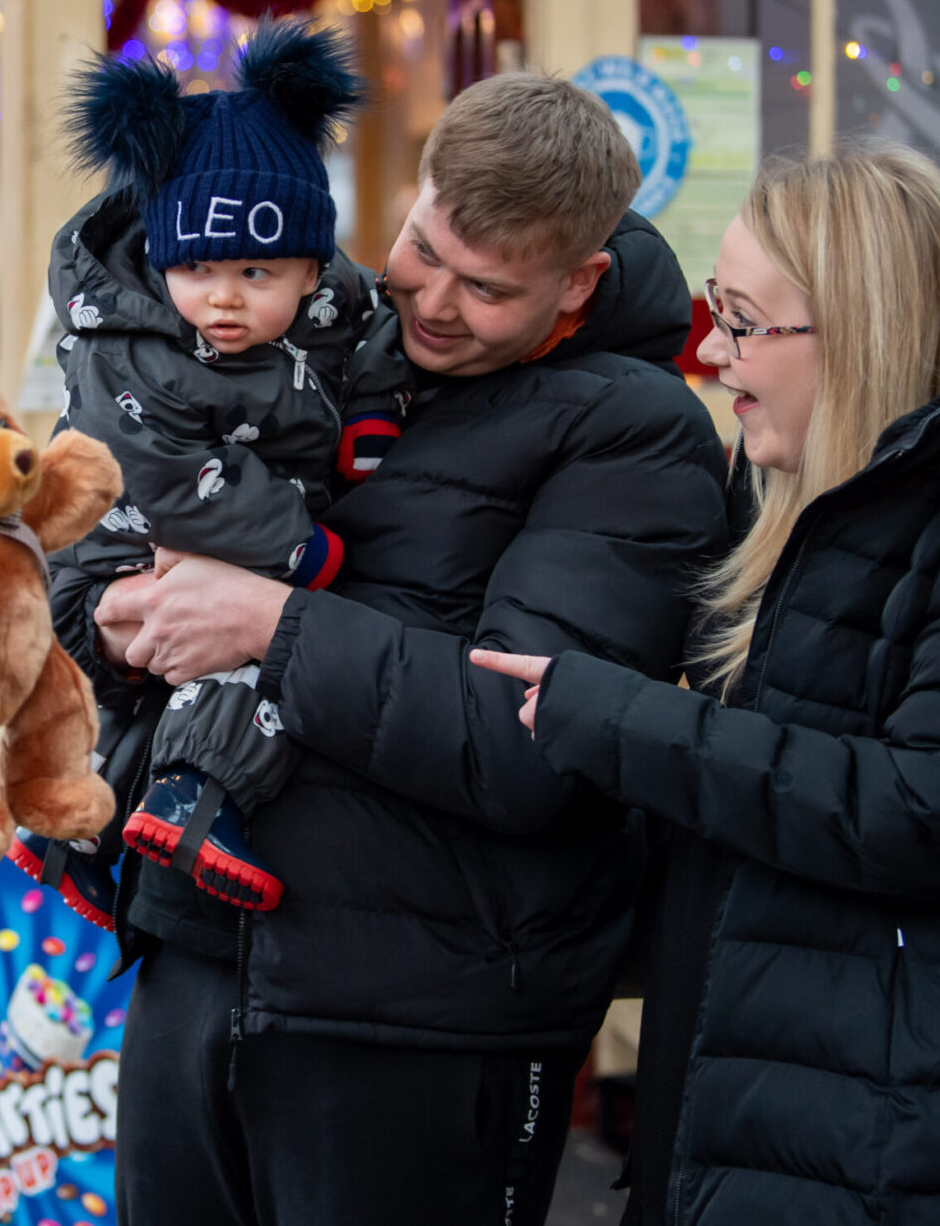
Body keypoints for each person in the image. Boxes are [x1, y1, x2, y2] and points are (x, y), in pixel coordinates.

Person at [63, 73, 731, 1224]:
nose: (430, 303)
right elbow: (107, 524)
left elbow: (535, 742)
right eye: (422, 248)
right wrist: (112, 621)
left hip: (422, 1016)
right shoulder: (316, 331)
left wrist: (268, 624)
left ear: (579, 282)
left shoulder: (632, 431)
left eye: (487, 289)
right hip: (201, 958)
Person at [473, 143, 940, 1225]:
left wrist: (625, 723)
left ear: (860, 329)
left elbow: (936, 807)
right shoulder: (811, 491)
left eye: (747, 320)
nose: (713, 351)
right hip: (824, 1106)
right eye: (714, 308)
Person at [11, 21, 404, 919]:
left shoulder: (342, 301)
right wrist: (297, 547)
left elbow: (381, 326)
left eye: (255, 271)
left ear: (311, 270)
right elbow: (159, 474)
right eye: (195, 268)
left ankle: (78, 833)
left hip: (228, 517)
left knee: (207, 651)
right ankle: (194, 802)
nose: (222, 297)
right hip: (127, 532)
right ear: (159, 255)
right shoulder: (130, 347)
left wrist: (372, 417)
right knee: (235, 648)